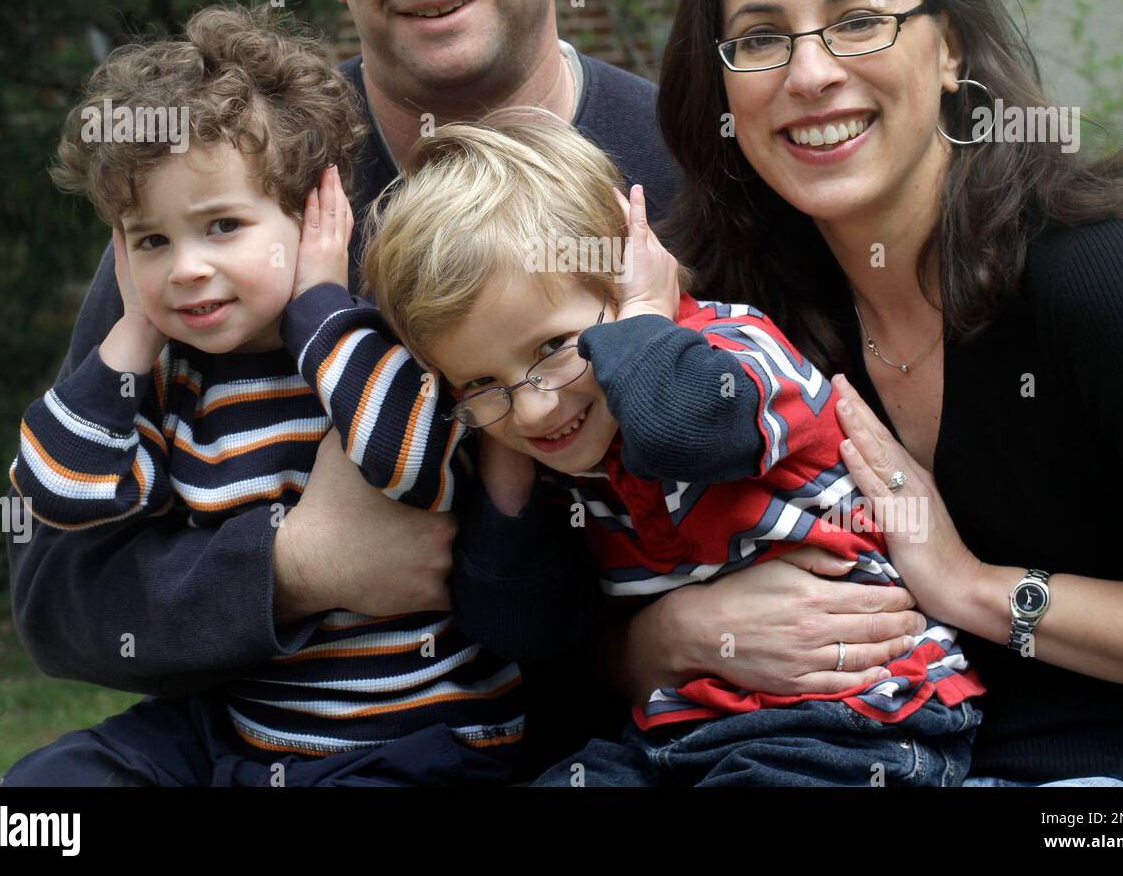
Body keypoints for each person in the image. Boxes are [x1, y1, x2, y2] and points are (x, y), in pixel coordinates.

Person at [2, 0, 738, 783]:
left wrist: (662, 646)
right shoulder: (240, 183)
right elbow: (57, 589)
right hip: (267, 746)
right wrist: (291, 569)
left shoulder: (687, 179)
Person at [608, 0, 1123, 785]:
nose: (810, 73)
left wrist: (972, 588)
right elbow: (577, 629)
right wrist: (674, 634)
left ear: (950, 48)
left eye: (859, 21)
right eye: (762, 38)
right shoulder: (732, 310)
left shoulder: (1102, 272)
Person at [360, 110, 986, 786]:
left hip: (856, 718)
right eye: (481, 380)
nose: (538, 403)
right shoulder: (564, 440)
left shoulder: (731, 352)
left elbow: (674, 430)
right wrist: (505, 448)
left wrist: (645, 316)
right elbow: (519, 626)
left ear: (628, 275)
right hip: (680, 734)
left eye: (551, 347)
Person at [2, 3, 540, 785]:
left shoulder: (374, 339)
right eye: (152, 240)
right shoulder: (171, 382)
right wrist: (132, 334)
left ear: (311, 212)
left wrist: (318, 307)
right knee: (42, 795)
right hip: (245, 729)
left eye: (222, 225)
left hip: (415, 740)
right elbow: (62, 492)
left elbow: (413, 464)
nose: (185, 267)